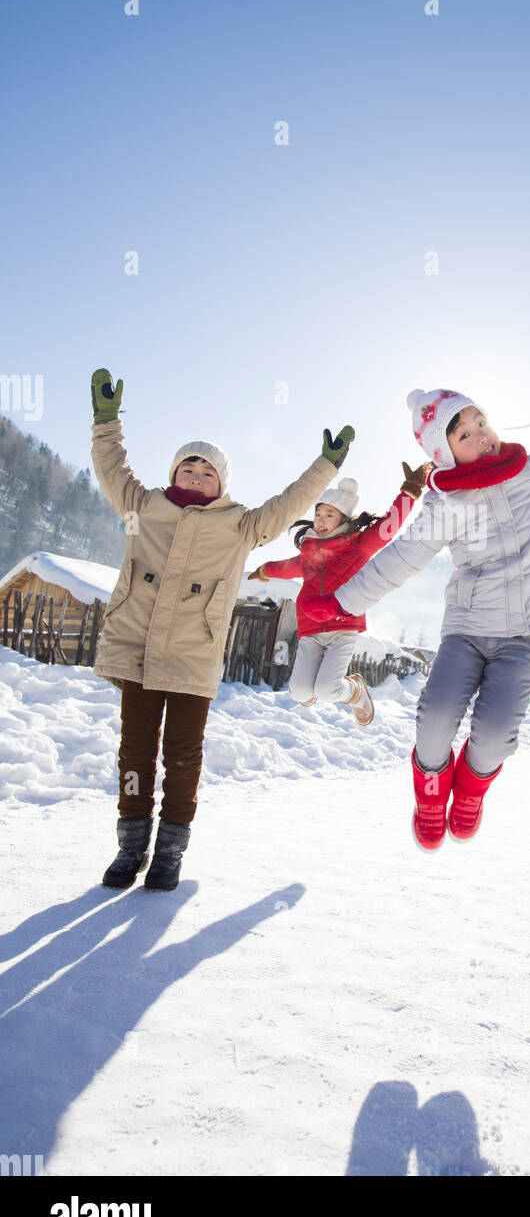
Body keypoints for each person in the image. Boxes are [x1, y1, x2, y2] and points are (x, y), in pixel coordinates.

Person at [299, 319, 530, 850]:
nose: (480, 433)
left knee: (494, 736)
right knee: (435, 719)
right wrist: (342, 601)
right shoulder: (445, 505)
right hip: (468, 630)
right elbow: (399, 558)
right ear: (443, 455)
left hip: (525, 637)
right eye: (463, 433)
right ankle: (429, 791)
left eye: (480, 421)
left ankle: (469, 792)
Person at [89, 366, 353, 890]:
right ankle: (130, 848)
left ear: (222, 484)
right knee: (135, 752)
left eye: (208, 472)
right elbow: (111, 468)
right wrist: (106, 421)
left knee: (184, 756)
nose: (197, 475)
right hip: (139, 648)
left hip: (193, 654)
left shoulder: (240, 525)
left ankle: (168, 854)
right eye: (189, 467)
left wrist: (326, 465)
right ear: (173, 474)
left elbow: (289, 503)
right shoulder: (142, 506)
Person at [247, 462, 429, 725]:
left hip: (344, 627)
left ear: (344, 518)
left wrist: (409, 492)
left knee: (327, 691)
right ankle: (313, 691)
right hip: (311, 629)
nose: (320, 520)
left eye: (329, 514)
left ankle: (355, 691)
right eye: (318, 514)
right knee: (299, 692)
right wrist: (265, 569)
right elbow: (288, 567)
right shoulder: (308, 555)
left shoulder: (358, 546)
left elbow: (388, 527)